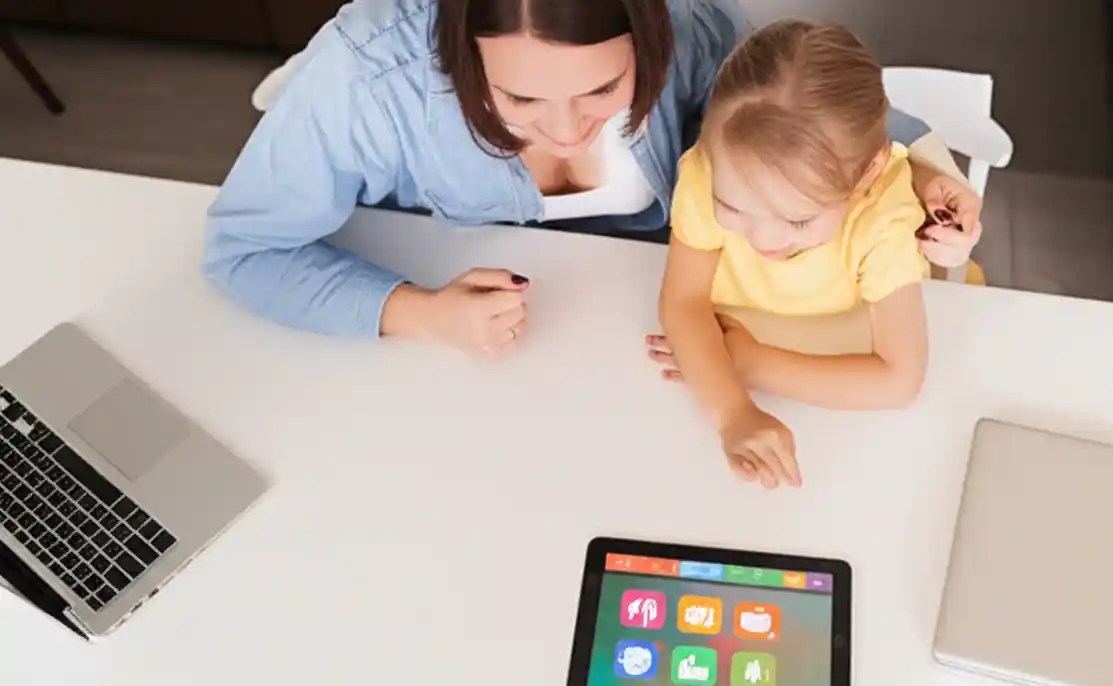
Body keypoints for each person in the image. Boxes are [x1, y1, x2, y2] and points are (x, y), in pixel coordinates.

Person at [203, 0, 982, 355]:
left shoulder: (688, 28)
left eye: (604, 93)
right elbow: (245, 252)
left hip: (641, 321)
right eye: (518, 99)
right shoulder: (368, 75)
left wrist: (917, 163)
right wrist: (420, 314)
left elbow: (783, 109)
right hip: (468, 351)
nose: (572, 130)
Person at [647, 20, 931, 490]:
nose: (764, 238)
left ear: (867, 176)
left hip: (830, 363)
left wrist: (751, 363)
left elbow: (900, 380)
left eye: (798, 220)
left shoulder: (884, 217)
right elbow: (682, 302)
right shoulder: (704, 173)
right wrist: (733, 411)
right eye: (733, 206)